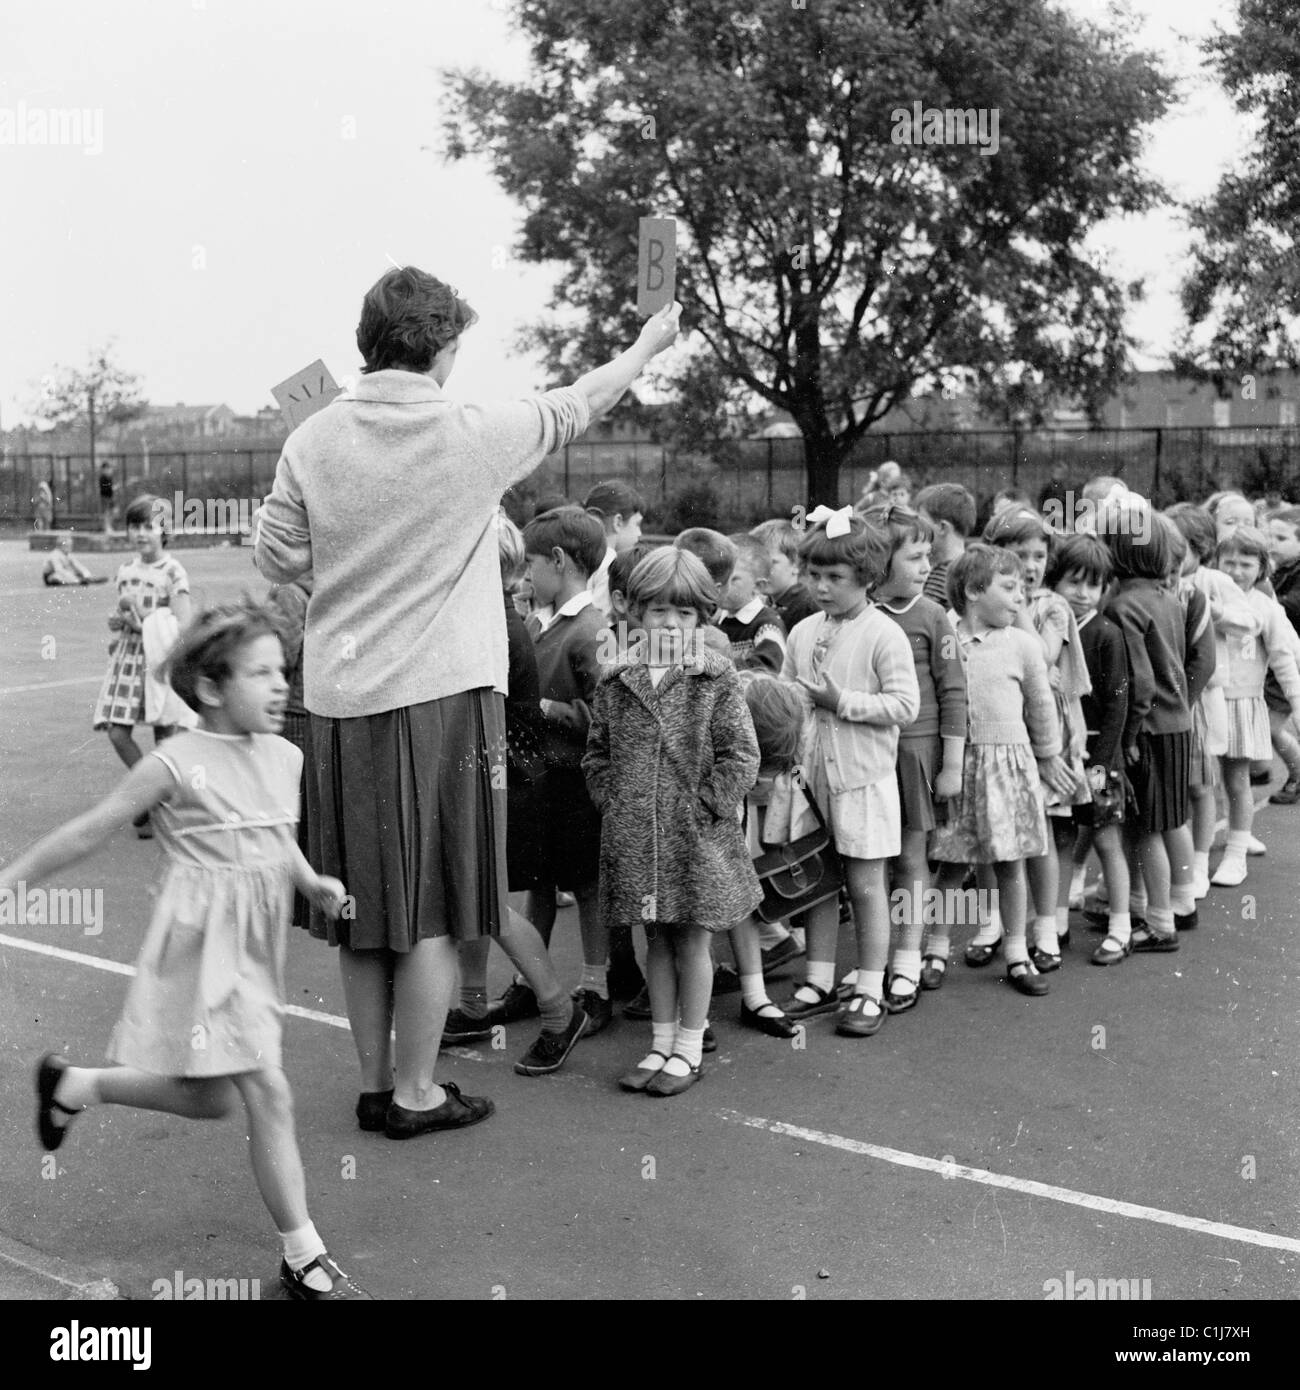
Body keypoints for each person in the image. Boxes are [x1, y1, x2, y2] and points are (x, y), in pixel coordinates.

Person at [254, 265, 681, 1139]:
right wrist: (645, 345)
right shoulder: (473, 431)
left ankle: (379, 1084)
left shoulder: (313, 437)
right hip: (443, 699)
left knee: (361, 906)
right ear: (443, 348)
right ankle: (414, 1094)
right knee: (440, 908)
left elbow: (278, 560)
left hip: (338, 702)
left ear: (367, 343)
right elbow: (576, 401)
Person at [11, 601, 370, 1300]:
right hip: (202, 949)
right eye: (260, 673)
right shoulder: (174, 762)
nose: (280, 685)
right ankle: (304, 1258)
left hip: (255, 948)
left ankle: (74, 1085)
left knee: (208, 1099)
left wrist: (309, 880)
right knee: (267, 1086)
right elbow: (93, 828)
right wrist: (13, 879)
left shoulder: (285, 753)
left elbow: (272, 830)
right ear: (210, 688)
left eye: (282, 670)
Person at [583, 548, 762, 1095]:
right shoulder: (616, 679)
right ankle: (660, 1043)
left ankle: (689, 1046)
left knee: (691, 941)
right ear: (635, 609)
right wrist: (614, 802)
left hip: (696, 840)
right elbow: (597, 753)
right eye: (659, 610)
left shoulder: (716, 677)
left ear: (702, 618)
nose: (671, 623)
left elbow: (742, 755)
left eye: (685, 614)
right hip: (636, 836)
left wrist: (707, 805)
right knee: (655, 941)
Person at [448, 513, 590, 1075]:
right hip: (493, 768)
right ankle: (474, 1005)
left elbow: (497, 718)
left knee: (483, 900)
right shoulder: (494, 619)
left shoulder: (496, 628)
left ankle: (560, 1010)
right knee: (475, 898)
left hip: (501, 773)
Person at [770, 507, 921, 1035]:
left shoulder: (884, 634)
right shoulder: (803, 630)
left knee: (865, 885)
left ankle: (871, 987)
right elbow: (790, 689)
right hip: (813, 781)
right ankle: (818, 978)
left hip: (863, 783)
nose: (821, 587)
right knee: (815, 883)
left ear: (867, 578)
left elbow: (905, 705)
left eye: (835, 578)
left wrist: (842, 702)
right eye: (814, 575)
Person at [925, 545, 1078, 996]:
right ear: (973, 591)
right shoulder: (945, 638)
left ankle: (1016, 952)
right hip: (960, 764)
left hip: (1010, 767)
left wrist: (1049, 756)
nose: (1019, 599)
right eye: (1009, 589)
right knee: (951, 866)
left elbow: (1041, 706)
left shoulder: (1025, 646)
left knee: (1011, 864)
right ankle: (934, 950)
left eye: (1023, 590)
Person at [857, 502, 966, 1004]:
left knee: (911, 860)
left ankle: (907, 958)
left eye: (929, 556)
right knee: (867, 863)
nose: (927, 567)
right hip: (867, 756)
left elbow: (953, 691)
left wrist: (951, 763)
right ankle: (870, 965)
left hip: (917, 756)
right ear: (879, 563)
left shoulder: (934, 615)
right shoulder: (859, 615)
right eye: (916, 557)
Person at [519, 506, 617, 1030]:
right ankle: (529, 981)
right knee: (537, 880)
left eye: (531, 564)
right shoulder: (540, 623)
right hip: (540, 779)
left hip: (577, 782)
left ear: (558, 560)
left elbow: (607, 713)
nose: (525, 575)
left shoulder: (591, 629)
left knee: (585, 885)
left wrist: (544, 711)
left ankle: (596, 988)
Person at [983, 507, 1091, 971]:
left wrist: (1018, 603)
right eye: (1017, 554)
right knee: (993, 833)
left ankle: (1046, 926)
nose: (1030, 565)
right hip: (998, 728)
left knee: (1043, 831)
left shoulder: (1051, 606)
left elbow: (1043, 659)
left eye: (1038, 555)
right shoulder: (980, 605)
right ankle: (994, 924)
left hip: (1043, 728)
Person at [1100, 509, 1214, 946]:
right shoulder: (1169, 598)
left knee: (1146, 828)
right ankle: (1180, 904)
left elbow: (1139, 682)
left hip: (1147, 728)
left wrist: (1127, 738)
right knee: (1171, 819)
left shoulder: (1122, 605)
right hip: (1178, 723)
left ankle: (1159, 922)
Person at [1047, 535, 1133, 965]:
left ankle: (1121, 927)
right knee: (1062, 838)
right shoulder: (1049, 629)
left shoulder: (1106, 634)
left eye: (1093, 585)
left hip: (1098, 755)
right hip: (1062, 754)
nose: (1082, 594)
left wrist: (1101, 763)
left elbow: (1120, 703)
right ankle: (1057, 923)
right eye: (1073, 582)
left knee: (1106, 841)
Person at [92, 495, 192, 839]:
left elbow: (183, 622)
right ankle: (149, 796)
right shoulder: (126, 571)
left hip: (158, 661)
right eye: (134, 526)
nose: (140, 534)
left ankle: (156, 801)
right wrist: (117, 620)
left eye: (148, 526)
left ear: (164, 530)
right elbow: (120, 616)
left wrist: (144, 621)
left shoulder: (173, 571)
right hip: (127, 661)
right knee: (117, 731)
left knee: (165, 736)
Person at [1209, 525, 1300, 886]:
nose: (1235, 570)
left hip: (1243, 703)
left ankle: (1235, 852)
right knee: (1205, 782)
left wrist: (1296, 702)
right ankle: (1222, 838)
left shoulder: (1265, 608)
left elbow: (1284, 660)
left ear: (1262, 568)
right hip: (1207, 701)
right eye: (1228, 561)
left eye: (1246, 563)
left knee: (1237, 778)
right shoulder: (1209, 597)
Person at [1263, 506, 1300, 804]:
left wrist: (1264, 601)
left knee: (1271, 726)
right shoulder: (1280, 570)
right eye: (1270, 536)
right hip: (1275, 659)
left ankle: (1298, 773)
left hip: (1289, 660)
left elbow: (1293, 605)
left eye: (1282, 537)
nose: (1272, 543)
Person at [718, 534, 787, 673]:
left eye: (733, 580)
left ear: (758, 587)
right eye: (719, 577)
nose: (721, 585)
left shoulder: (767, 626)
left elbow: (767, 668)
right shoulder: (716, 622)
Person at [583, 479, 645, 619]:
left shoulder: (581, 554)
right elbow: (602, 619)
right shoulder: (610, 562)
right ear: (617, 522)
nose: (639, 533)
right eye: (637, 524)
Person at [749, 518, 820, 630]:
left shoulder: (808, 607)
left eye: (771, 563)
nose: (761, 570)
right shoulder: (763, 604)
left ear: (796, 564)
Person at [915, 482, 976, 607]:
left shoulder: (945, 576)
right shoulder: (968, 568)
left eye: (920, 521)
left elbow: (925, 619)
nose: (915, 528)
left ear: (942, 527)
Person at [43, 534, 107, 586]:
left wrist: (87, 574)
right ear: (61, 546)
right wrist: (74, 578)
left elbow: (78, 565)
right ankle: (78, 581)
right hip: (51, 576)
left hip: (65, 573)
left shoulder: (67, 554)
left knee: (75, 573)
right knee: (57, 577)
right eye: (68, 546)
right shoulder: (55, 555)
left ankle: (89, 579)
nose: (70, 548)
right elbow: (59, 570)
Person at [98, 461, 116, 532]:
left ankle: (108, 526)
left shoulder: (109, 477)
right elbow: (104, 487)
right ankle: (106, 527)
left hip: (110, 496)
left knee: (112, 512)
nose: (108, 470)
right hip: (105, 496)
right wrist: (111, 487)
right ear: (103, 469)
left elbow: (109, 486)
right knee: (106, 512)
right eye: (106, 468)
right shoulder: (102, 477)